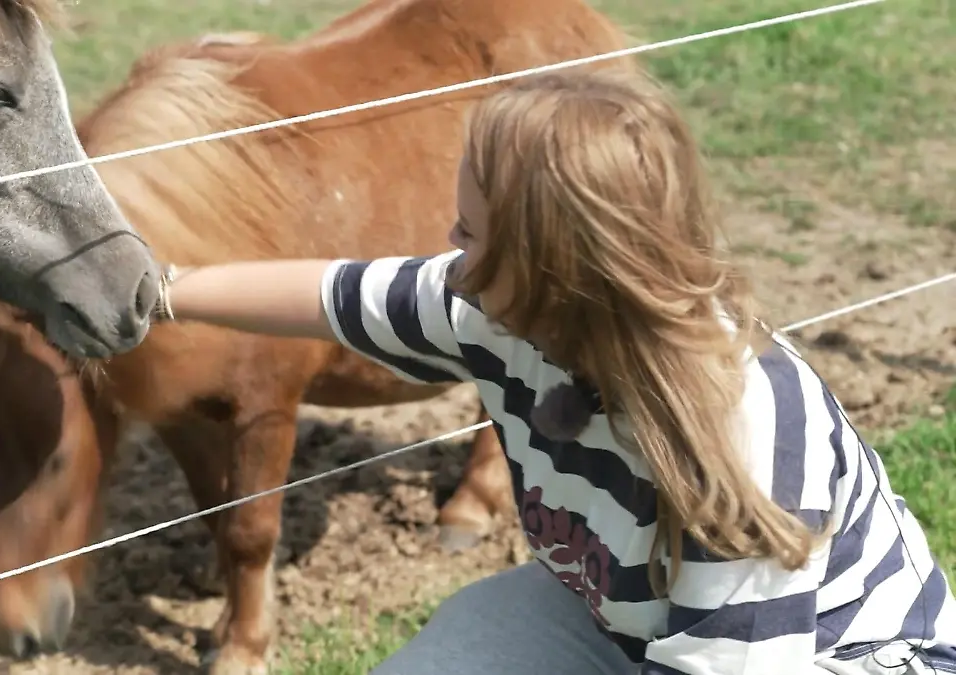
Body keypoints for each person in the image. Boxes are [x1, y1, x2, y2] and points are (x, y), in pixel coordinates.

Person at [143, 68, 956, 674]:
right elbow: (330, 292)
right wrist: (164, 291)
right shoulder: (491, 309)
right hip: (620, 625)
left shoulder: (742, 430)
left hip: (832, 655)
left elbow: (731, 664)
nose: (446, 252)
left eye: (467, 231)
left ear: (551, 265)